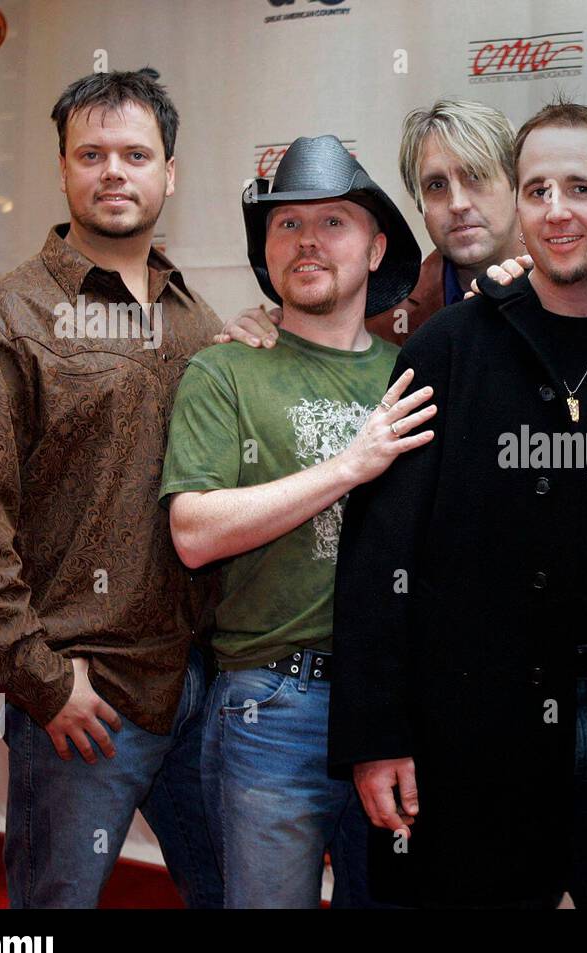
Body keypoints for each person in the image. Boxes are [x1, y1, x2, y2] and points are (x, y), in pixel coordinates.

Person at [327, 100, 587, 908]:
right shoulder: (447, 349)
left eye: (581, 187)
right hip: (474, 722)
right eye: (536, 190)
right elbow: (378, 553)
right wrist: (377, 733)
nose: (557, 211)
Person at [0, 68, 224, 908]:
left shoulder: (197, 319)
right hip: (84, 704)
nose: (114, 172)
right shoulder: (1, 320)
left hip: (198, 687)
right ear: (62, 169)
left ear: (172, 173)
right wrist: (44, 680)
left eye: (135, 153)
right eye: (91, 154)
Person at [159, 135, 434, 908]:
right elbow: (194, 532)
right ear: (266, 250)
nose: (308, 240)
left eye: (333, 222)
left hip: (394, 709)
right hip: (271, 705)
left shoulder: (416, 375)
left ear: (377, 246)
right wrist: (349, 465)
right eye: (286, 225)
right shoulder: (225, 369)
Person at [221, 98, 587, 350]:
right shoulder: (386, 319)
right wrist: (267, 327)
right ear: (418, 204)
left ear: (517, 186)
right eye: (436, 186)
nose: (457, 204)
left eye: (475, 178)